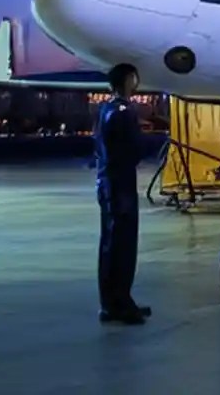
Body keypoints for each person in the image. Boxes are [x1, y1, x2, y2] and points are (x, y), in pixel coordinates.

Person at [94, 63, 150, 325]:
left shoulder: (105, 109)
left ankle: (109, 303)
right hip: (122, 184)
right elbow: (135, 149)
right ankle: (122, 303)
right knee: (124, 247)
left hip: (106, 182)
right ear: (129, 80)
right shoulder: (125, 112)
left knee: (109, 245)